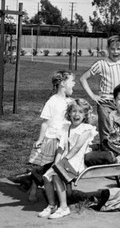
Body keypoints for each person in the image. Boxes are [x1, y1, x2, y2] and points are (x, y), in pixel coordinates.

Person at [38, 99, 97, 219]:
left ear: (85, 115)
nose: (77, 114)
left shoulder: (86, 129)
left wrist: (60, 165)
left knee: (56, 176)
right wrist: (56, 164)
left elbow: (76, 149)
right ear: (69, 113)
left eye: (80, 112)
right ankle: (52, 205)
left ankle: (64, 208)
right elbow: (60, 149)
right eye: (74, 111)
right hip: (64, 161)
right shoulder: (65, 128)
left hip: (76, 163)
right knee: (46, 176)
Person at [27, 70, 75, 202]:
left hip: (65, 141)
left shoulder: (71, 102)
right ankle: (33, 188)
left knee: (64, 165)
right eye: (72, 81)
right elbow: (45, 123)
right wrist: (41, 139)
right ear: (63, 83)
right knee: (45, 167)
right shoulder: (52, 101)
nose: (74, 84)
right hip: (52, 140)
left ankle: (68, 192)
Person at [80, 35, 120, 144]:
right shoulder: (101, 64)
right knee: (106, 132)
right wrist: (93, 96)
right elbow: (83, 79)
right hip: (105, 103)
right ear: (108, 49)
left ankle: (119, 152)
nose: (115, 52)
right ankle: (106, 151)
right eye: (112, 49)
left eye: (118, 49)